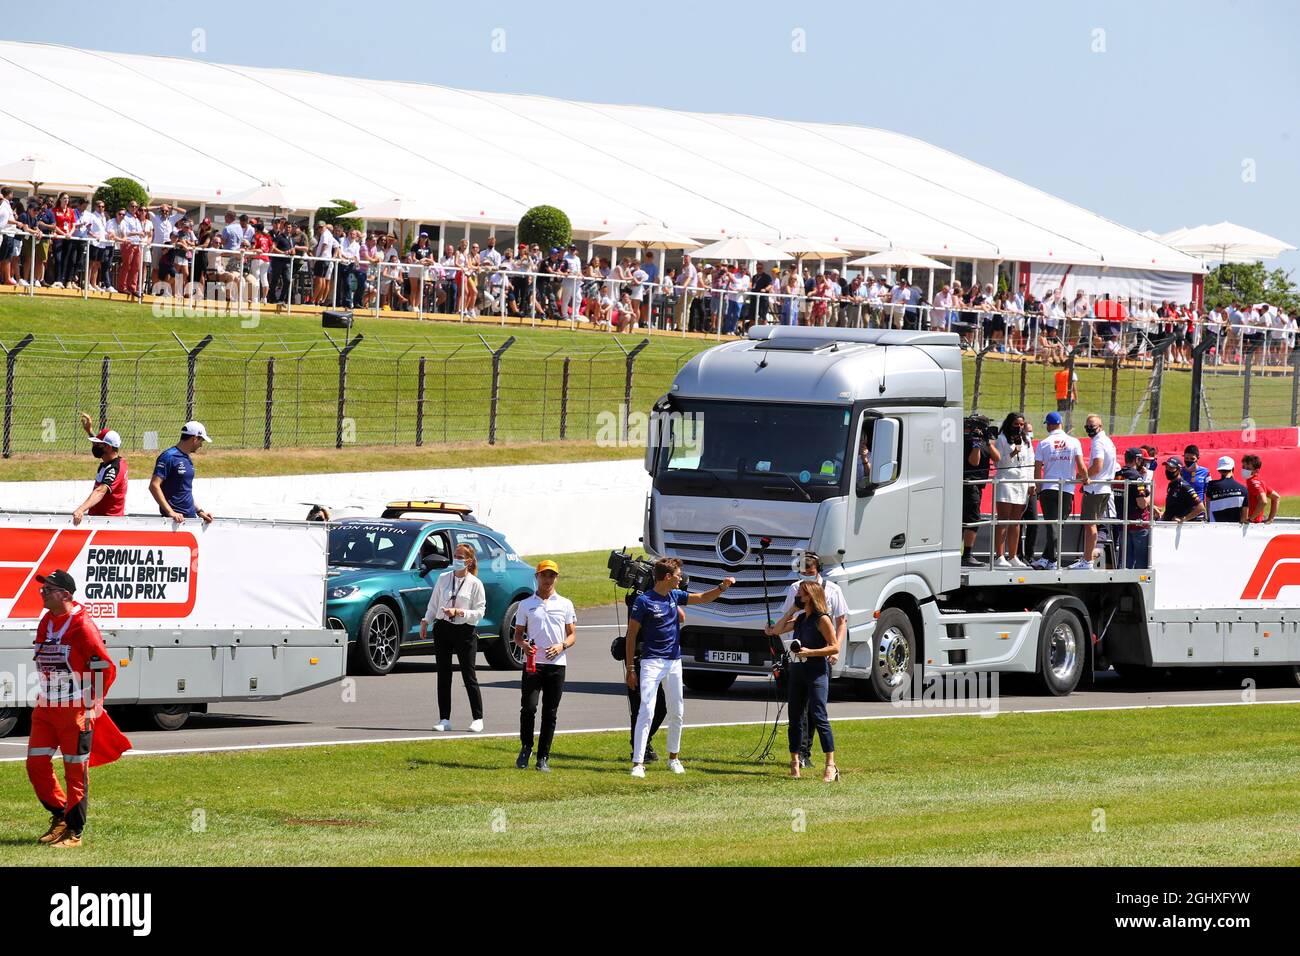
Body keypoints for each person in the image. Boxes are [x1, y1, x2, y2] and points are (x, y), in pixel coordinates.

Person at [26, 569, 131, 848]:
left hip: (74, 709)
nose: (42, 594)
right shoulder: (46, 621)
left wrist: (93, 703)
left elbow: (103, 667)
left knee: (75, 771)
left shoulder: (83, 626)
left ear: (66, 595)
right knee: (36, 764)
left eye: (48, 590)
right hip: (46, 707)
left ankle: (75, 833)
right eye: (42, 590)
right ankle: (60, 816)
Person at [626, 558, 734, 778]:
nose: (681, 578)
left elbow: (703, 598)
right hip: (651, 662)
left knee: (677, 711)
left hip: (674, 662)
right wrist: (630, 668)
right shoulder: (644, 601)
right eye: (678, 575)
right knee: (646, 710)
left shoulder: (675, 596)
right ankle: (637, 763)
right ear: (667, 577)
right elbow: (631, 636)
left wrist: (722, 587)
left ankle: (673, 758)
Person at [765, 551, 848, 768]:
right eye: (802, 574)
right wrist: (793, 608)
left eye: (809, 574)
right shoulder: (799, 605)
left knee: (817, 713)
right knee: (796, 713)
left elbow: (841, 624)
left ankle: (823, 759)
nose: (805, 580)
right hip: (798, 665)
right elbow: (780, 627)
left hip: (817, 663)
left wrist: (829, 651)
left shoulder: (828, 601)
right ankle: (800, 756)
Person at [512, 560, 576, 772]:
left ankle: (543, 757)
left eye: (551, 576)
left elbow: (572, 634)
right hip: (533, 664)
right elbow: (518, 635)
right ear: (537, 577)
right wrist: (524, 646)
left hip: (556, 665)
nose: (547, 580)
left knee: (550, 711)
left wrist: (561, 646)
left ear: (556, 578)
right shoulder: (526, 604)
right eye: (544, 575)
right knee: (529, 707)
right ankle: (526, 747)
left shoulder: (565, 604)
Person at [419, 543, 488, 733]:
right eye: (455, 556)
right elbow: (434, 604)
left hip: (464, 631)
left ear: (469, 561)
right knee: (443, 674)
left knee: (469, 675)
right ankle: (444, 718)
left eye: (461, 557)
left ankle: (477, 718)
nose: (457, 560)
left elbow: (480, 612)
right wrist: (426, 620)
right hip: (443, 629)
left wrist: (459, 612)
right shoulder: (443, 578)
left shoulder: (475, 583)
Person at [1032, 411, 1086, 570]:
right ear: (1061, 423)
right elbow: (1081, 466)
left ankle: (1051, 560)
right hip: (1067, 489)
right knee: (1058, 525)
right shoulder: (1074, 442)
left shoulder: (1043, 443)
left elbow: (1037, 471)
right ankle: (1047, 559)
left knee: (1052, 526)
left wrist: (1039, 489)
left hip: (1049, 488)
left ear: (1049, 424)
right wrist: (1086, 478)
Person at [149, 421, 214, 524]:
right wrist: (171, 512)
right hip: (175, 522)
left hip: (190, 519)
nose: (201, 445)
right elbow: (154, 485)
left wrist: (200, 511)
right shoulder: (168, 457)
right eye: (201, 441)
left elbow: (184, 491)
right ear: (194, 439)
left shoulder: (187, 458)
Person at [1074, 414, 1116, 570]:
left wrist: (1082, 476)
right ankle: (1087, 559)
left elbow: (1097, 467)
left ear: (1101, 426)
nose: (1089, 429)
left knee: (1089, 524)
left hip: (1095, 489)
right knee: (1092, 524)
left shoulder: (1098, 442)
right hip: (1103, 488)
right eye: (1087, 426)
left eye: (1092, 426)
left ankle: (1087, 560)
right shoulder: (1108, 441)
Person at [992, 412, 1034, 567]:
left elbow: (1030, 461)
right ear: (1010, 424)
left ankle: (1013, 556)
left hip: (1022, 481)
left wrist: (1031, 483)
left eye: (1022, 424)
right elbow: (999, 463)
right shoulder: (1001, 438)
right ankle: (1000, 556)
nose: (1019, 427)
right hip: (1006, 479)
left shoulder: (1026, 439)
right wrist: (1013, 452)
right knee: (1003, 519)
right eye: (1016, 424)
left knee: (1016, 521)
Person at [72, 412, 127, 525]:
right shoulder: (109, 462)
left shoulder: (114, 468)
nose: (95, 447)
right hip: (101, 521)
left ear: (108, 447)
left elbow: (100, 491)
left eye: (99, 445)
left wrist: (81, 509)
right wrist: (89, 431)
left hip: (108, 523)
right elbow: (101, 444)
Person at [961, 415, 1001, 567]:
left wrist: (988, 442)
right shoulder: (968, 440)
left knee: (971, 518)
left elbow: (997, 458)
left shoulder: (985, 440)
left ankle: (965, 554)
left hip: (978, 484)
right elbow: (974, 461)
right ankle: (966, 555)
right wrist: (976, 443)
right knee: (973, 519)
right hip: (969, 483)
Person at [1113, 448, 1152, 569]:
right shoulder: (1136, 476)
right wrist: (1150, 494)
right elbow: (1142, 504)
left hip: (1122, 524)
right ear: (1137, 459)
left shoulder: (1118, 474)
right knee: (1141, 563)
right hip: (1137, 524)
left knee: (1125, 562)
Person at [1157, 457, 1204, 523]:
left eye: (1171, 468)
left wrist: (1184, 519)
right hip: (1167, 526)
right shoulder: (1171, 485)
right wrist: (1163, 514)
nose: (1167, 470)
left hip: (1179, 529)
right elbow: (1173, 506)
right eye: (1166, 467)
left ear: (1179, 470)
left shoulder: (1184, 486)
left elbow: (1200, 507)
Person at [1204, 456, 1248, 523]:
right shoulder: (1244, 490)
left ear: (1219, 470)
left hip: (1215, 529)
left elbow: (1208, 511)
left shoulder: (1211, 486)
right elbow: (1244, 518)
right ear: (1233, 469)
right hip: (1235, 530)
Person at [1242, 454, 1279, 524]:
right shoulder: (1259, 481)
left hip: (1252, 524)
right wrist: (1270, 518)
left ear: (1256, 471)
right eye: (1243, 467)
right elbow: (1276, 497)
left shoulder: (1253, 482)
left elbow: (1263, 501)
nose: (1244, 470)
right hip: (1255, 523)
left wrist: (1251, 519)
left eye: (1248, 468)